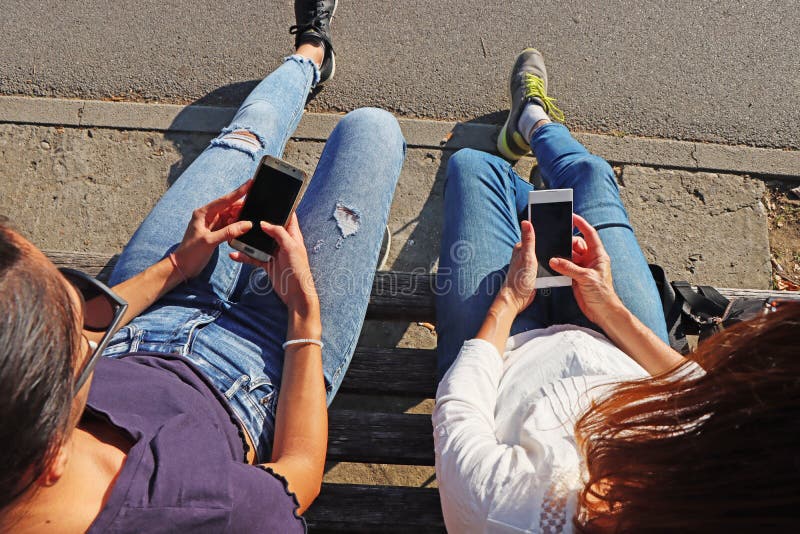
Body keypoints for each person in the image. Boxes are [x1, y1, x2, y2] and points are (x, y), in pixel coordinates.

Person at [0, 1, 406, 531]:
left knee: (243, 142)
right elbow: (298, 476)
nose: (89, 313)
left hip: (163, 294)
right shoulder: (211, 514)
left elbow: (104, 321)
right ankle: (359, 233)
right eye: (74, 332)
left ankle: (309, 55)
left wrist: (175, 263)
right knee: (371, 130)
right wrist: (306, 313)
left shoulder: (21, 420)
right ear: (53, 453)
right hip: (268, 362)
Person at [432, 48, 799, 532]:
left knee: (477, 169)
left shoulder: (509, 510)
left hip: (502, 357)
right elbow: (692, 387)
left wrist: (509, 301)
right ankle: (534, 127)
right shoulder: (734, 450)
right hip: (616, 339)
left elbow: (459, 409)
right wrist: (609, 309)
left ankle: (532, 171)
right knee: (590, 178)